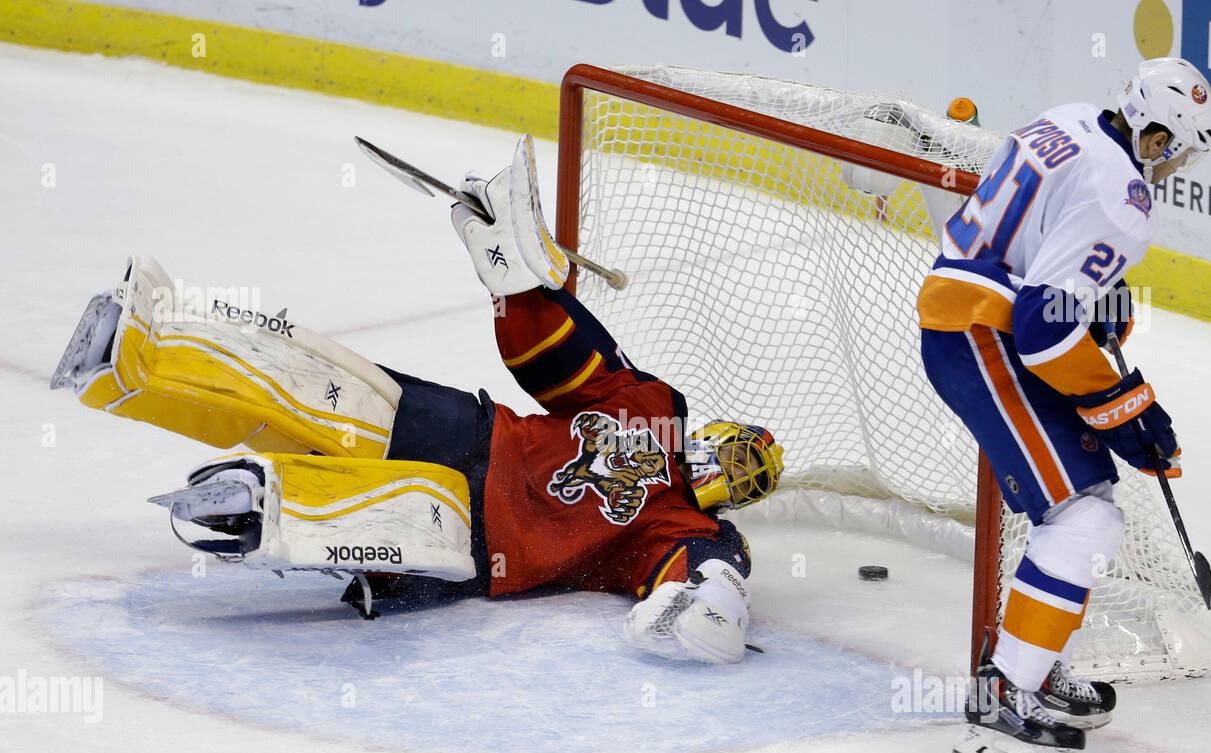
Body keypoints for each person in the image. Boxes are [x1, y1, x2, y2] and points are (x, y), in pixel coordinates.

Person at [50, 135, 784, 666]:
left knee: (357, 510)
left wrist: (705, 605)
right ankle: (131, 355)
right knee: (309, 379)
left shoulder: (680, 526)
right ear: (720, 427)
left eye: (747, 476)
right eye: (741, 448)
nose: (731, 465)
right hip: (467, 430)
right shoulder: (652, 405)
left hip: (478, 540)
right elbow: (556, 356)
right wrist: (515, 274)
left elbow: (703, 574)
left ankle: (253, 506)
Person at [915, 58, 1211, 753]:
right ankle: (1002, 701)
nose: (1176, 166)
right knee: (1086, 517)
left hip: (975, 317)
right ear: (1151, 134)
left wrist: (1099, 304)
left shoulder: (1073, 119)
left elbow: (1047, 254)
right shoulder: (1126, 201)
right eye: (1176, 149)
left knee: (1082, 506)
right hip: (985, 340)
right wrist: (1129, 410)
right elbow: (1046, 331)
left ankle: (1034, 659)